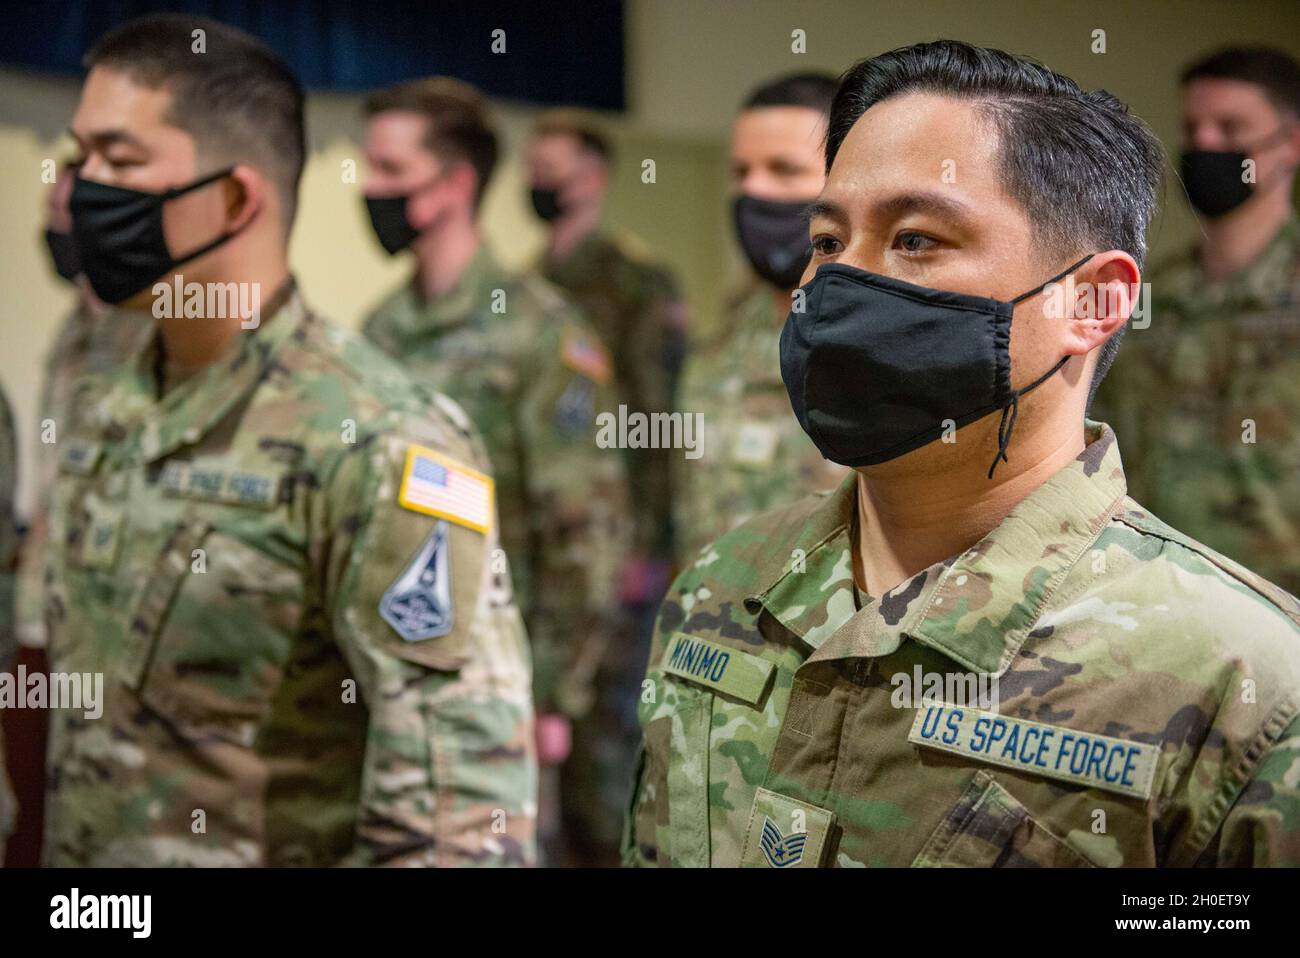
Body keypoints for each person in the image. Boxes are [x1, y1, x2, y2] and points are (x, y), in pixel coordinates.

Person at [624, 40, 1300, 868]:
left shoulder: (1243, 688)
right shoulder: (720, 587)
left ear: (1092, 300)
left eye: (915, 239)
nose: (837, 288)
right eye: (829, 240)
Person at [42, 14, 536, 867]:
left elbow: (457, 821)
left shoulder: (385, 439)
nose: (83, 189)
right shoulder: (109, 396)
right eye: (81, 158)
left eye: (119, 163)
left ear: (234, 200)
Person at [359, 79, 629, 865]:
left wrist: (555, 695)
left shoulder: (541, 335)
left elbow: (589, 533)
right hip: (390, 682)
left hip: (500, 694)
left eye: (387, 168)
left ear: (453, 184)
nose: (367, 187)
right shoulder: (381, 327)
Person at [1094, 47, 1300, 596]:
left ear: (1290, 146)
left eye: (1230, 128)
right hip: (1148, 604)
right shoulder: (1138, 294)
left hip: (1280, 617)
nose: (1206, 144)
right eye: (1193, 128)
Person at [674, 73, 847, 562]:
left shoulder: (895, 348)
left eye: (783, 169)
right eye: (740, 171)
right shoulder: (720, 341)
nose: (753, 190)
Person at [14, 162, 151, 656]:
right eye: (49, 214)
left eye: (64, 214)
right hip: (44, 594)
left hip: (111, 607)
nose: (54, 230)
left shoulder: (147, 331)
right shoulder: (73, 328)